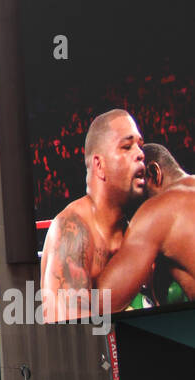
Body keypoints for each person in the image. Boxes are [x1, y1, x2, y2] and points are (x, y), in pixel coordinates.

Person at [40, 109, 146, 322]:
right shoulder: (72, 230)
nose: (140, 154)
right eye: (127, 146)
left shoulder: (140, 229)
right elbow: (71, 334)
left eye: (140, 146)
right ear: (99, 165)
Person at [97, 144, 195, 310]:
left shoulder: (157, 209)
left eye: (134, 194)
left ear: (153, 173)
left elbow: (101, 304)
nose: (133, 217)